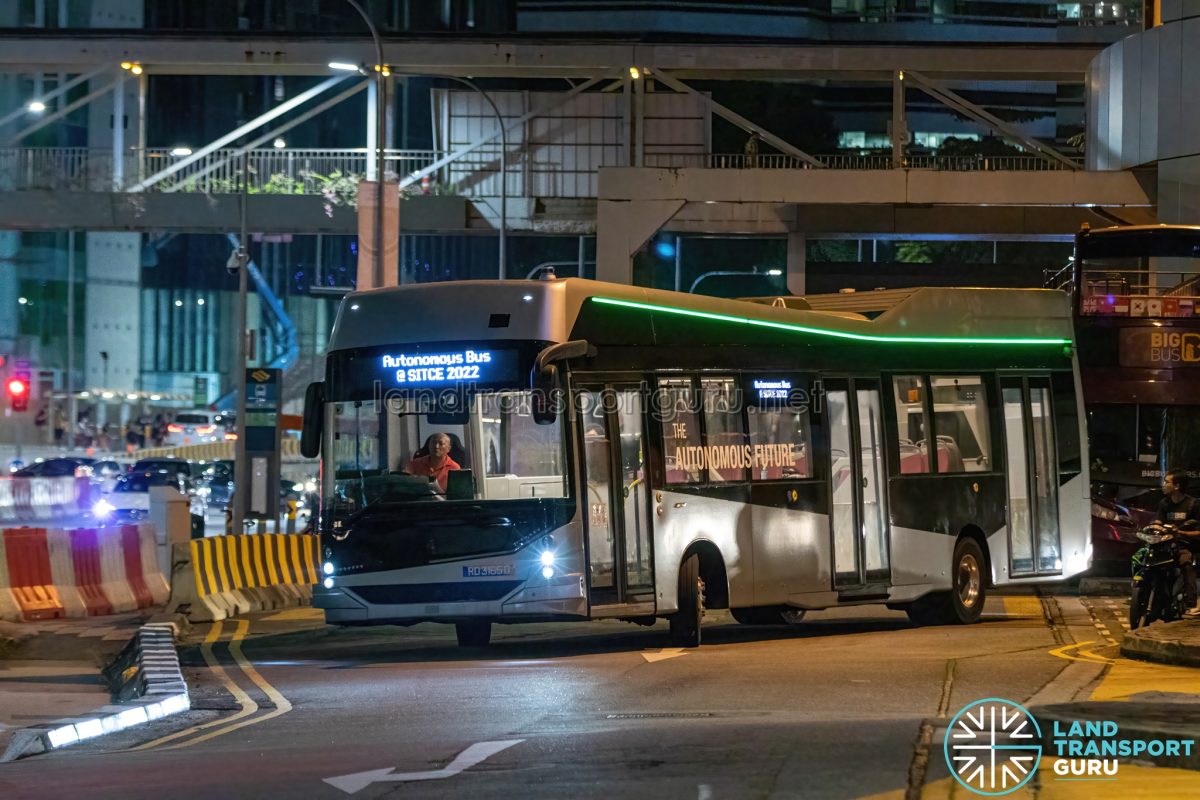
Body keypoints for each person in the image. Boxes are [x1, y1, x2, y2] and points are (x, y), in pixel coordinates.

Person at [1157, 470, 1200, 616]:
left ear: (1177, 486)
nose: (1163, 485)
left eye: (1167, 482)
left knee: (1186, 564)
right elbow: (1158, 522)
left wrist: (1181, 533)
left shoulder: (1193, 504)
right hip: (1164, 545)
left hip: (1184, 545)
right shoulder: (1164, 503)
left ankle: (1190, 601)